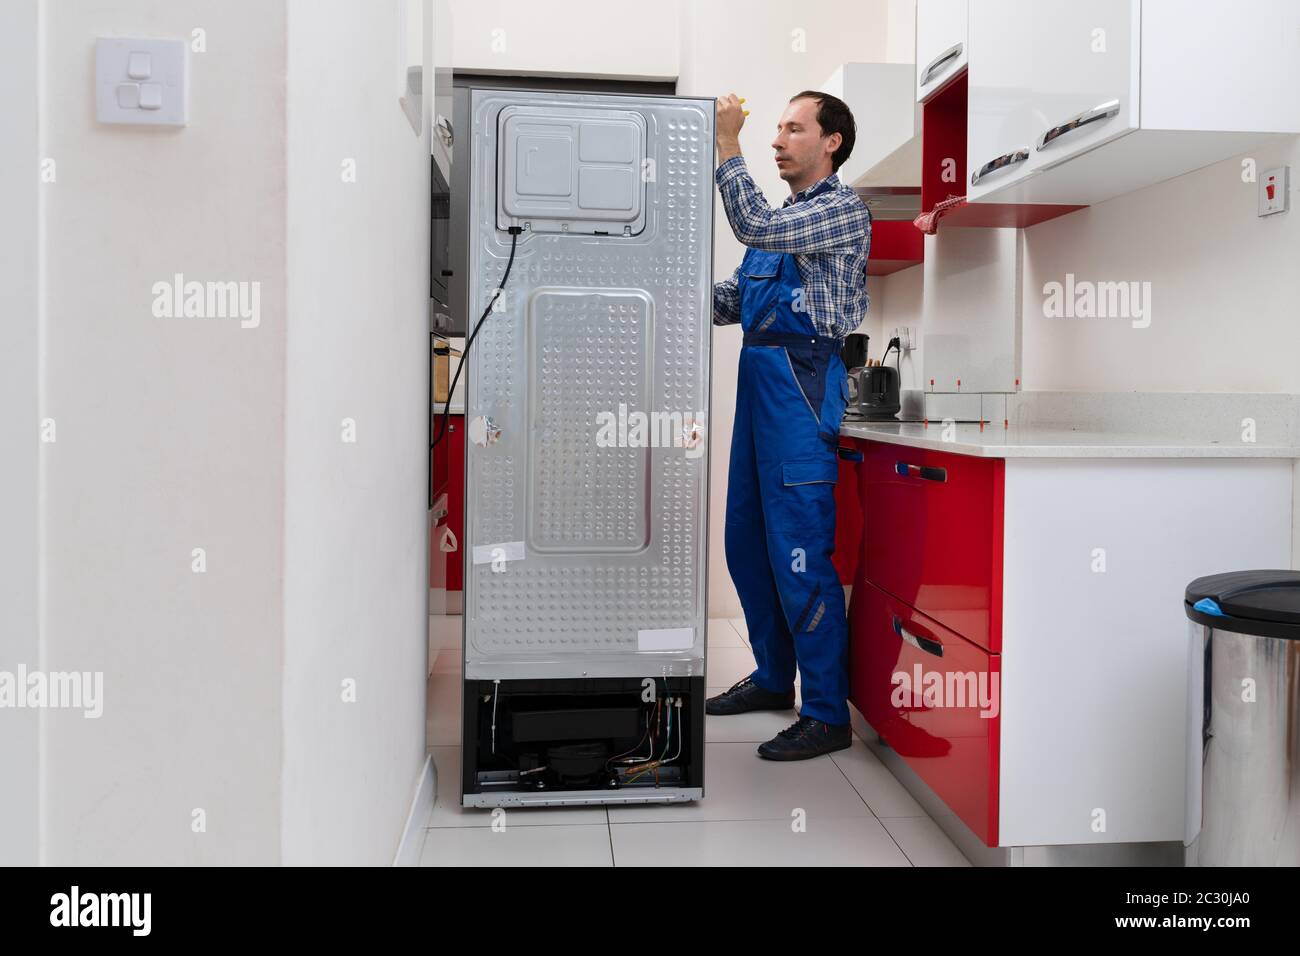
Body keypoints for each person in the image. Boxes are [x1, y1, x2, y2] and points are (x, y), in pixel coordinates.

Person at [707, 90, 871, 760]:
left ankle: (828, 713)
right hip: (759, 390)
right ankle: (775, 679)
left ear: (831, 142)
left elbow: (752, 227)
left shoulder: (838, 209)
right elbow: (732, 300)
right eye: (774, 129)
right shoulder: (786, 220)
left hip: (801, 393)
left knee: (800, 553)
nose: (778, 139)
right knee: (747, 545)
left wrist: (726, 142)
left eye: (794, 128)